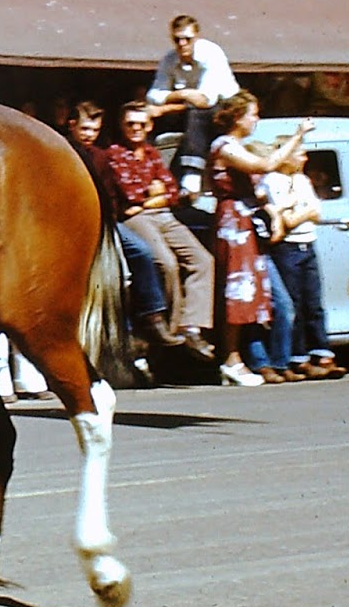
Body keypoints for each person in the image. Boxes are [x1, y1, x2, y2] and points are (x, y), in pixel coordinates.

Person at [207, 95, 313, 388]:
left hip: (247, 221)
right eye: (252, 114)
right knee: (237, 288)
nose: (256, 120)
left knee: (248, 290)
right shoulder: (224, 146)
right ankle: (231, 359)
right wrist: (298, 137)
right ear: (237, 117)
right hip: (234, 223)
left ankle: (237, 358)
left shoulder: (234, 146)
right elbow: (265, 165)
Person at [66, 100, 183, 355]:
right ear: (72, 126)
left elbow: (114, 196)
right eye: (85, 129)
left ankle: (152, 317)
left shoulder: (99, 156)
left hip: (106, 221)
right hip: (73, 223)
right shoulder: (63, 151)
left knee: (140, 252)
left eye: (94, 130)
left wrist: (113, 215)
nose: (89, 135)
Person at [106, 102, 215, 359]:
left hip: (160, 214)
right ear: (122, 126)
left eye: (141, 124)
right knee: (166, 263)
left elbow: (172, 191)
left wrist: (154, 197)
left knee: (202, 260)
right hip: (137, 218)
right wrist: (153, 195)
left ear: (150, 126)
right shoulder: (115, 154)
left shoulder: (152, 153)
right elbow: (128, 192)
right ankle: (167, 328)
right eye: (130, 124)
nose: (136, 129)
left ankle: (189, 326)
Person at [263, 137, 344, 380]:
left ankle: (322, 353)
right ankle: (298, 357)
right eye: (299, 153)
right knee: (295, 302)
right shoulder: (273, 181)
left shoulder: (301, 180)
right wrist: (303, 212)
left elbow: (316, 213)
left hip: (307, 243)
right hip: (287, 248)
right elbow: (286, 221)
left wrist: (302, 212)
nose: (304, 158)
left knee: (313, 302)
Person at [147, 15, 239, 195]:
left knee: (198, 114)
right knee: (143, 115)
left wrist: (167, 104)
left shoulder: (211, 54)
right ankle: (150, 173)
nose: (182, 44)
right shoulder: (169, 59)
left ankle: (192, 176)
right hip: (188, 109)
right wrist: (183, 94)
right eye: (177, 39)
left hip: (224, 110)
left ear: (197, 37)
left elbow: (205, 101)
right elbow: (153, 95)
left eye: (187, 39)